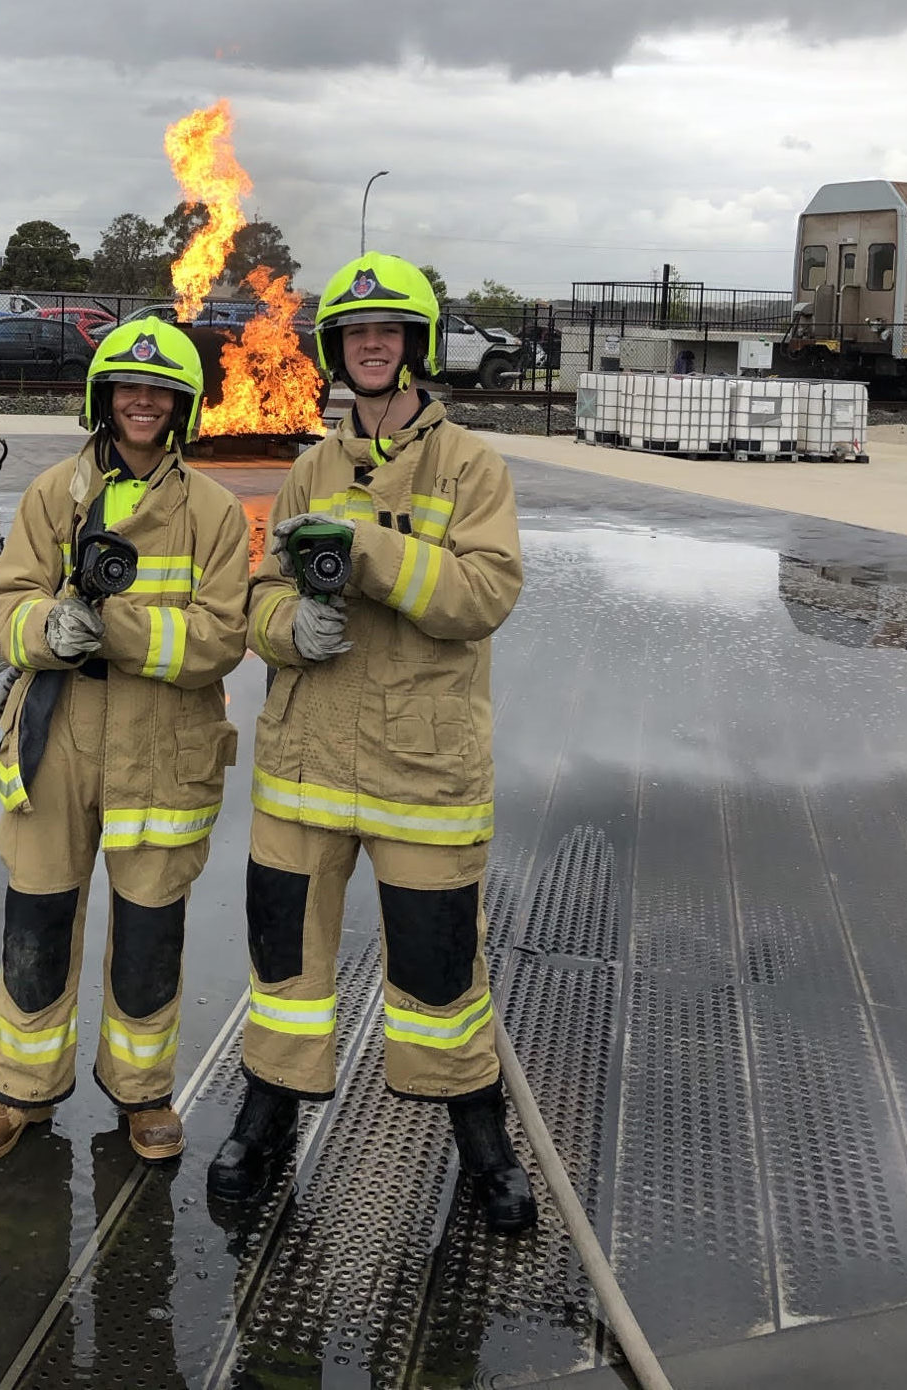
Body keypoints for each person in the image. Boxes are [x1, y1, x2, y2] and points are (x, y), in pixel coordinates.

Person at [204, 254, 537, 1232]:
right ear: (337, 352)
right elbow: (261, 594)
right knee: (283, 970)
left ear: (416, 346)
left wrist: (374, 556)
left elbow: (485, 596)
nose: (374, 344)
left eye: (390, 330)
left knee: (442, 977)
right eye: (357, 334)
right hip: (304, 769)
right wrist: (284, 628)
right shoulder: (311, 465)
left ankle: (481, 1139)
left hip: (421, 772)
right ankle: (264, 1120)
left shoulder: (471, 465)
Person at [0, 317, 249, 1165]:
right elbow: (4, 607)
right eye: (129, 387)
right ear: (104, 398)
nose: (143, 401)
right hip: (59, 738)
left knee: (151, 928)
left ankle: (142, 1094)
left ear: (182, 406)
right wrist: (51, 625)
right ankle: (17, 1090)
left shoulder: (215, 513)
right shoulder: (53, 494)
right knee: (37, 917)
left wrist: (110, 628)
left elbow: (220, 637)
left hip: (167, 745)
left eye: (159, 391)